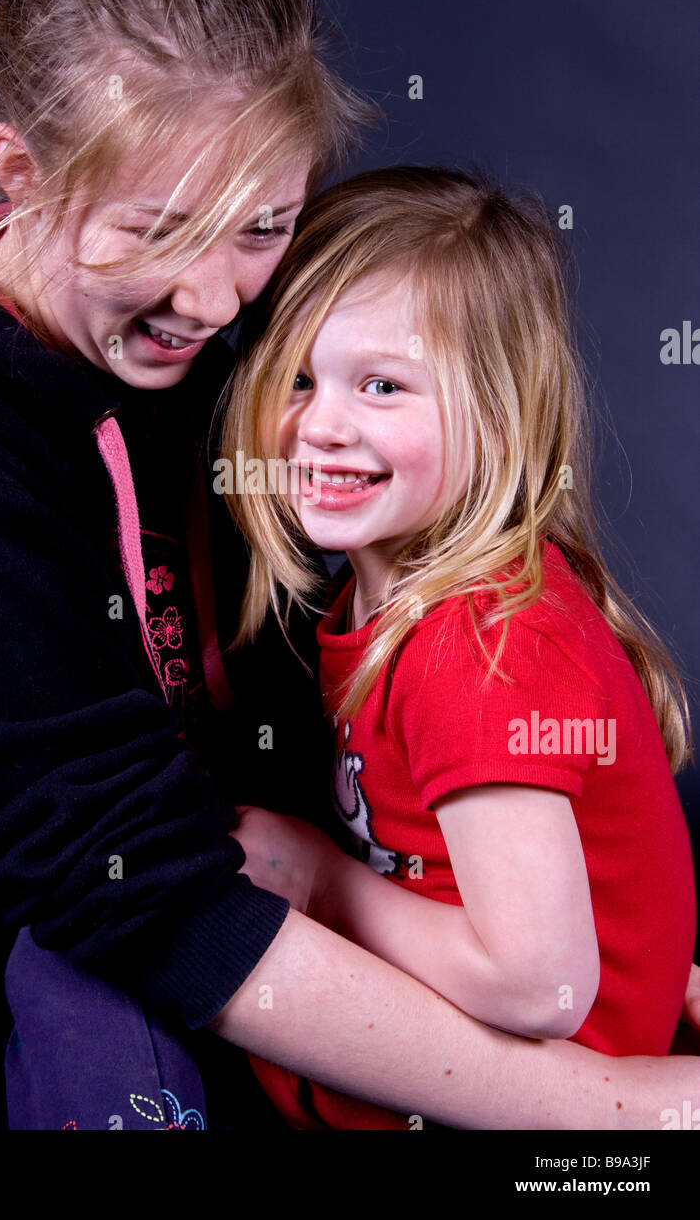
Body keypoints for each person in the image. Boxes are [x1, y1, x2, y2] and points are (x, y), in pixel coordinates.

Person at [0, 0, 697, 1132]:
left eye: (260, 226)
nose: (213, 298)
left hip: (319, 964)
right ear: (16, 172)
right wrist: (615, 1109)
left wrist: (644, 951)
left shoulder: (238, 346)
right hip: (3, 1052)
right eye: (154, 231)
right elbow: (140, 898)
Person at [221, 166, 698, 1128]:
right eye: (300, 377)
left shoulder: (475, 644)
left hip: (537, 1101)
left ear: (495, 416)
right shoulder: (392, 596)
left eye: (383, 385)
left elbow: (539, 990)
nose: (320, 425)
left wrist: (315, 877)